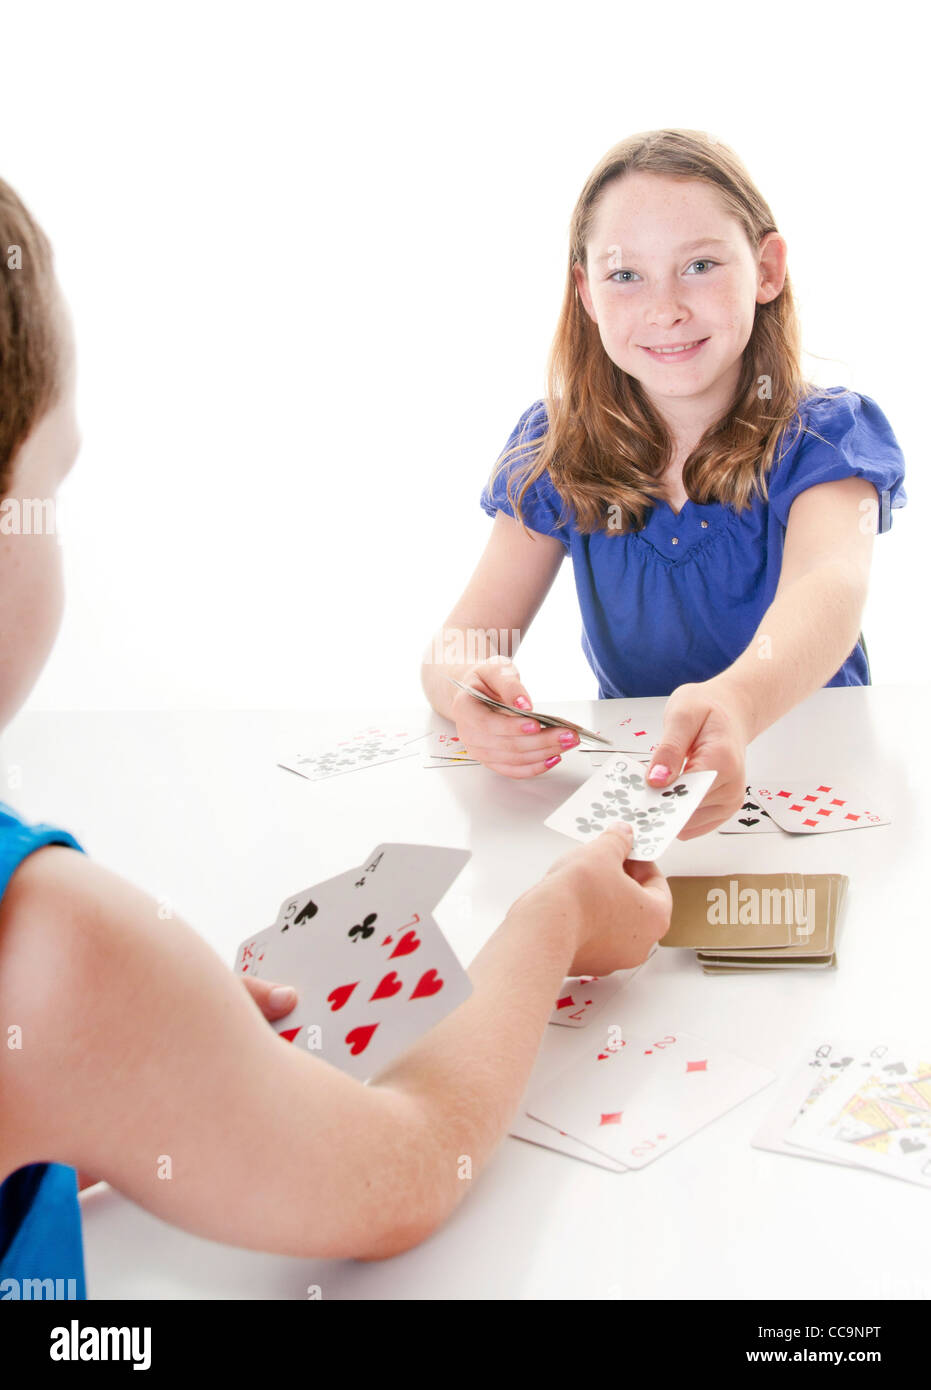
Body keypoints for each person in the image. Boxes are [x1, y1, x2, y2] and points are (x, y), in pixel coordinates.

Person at [0, 176, 672, 1296]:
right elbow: (406, 1171)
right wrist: (552, 915)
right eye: (46, 490)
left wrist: (141, 1070)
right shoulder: (53, 953)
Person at [421, 128, 907, 840]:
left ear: (766, 269)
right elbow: (460, 640)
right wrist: (470, 692)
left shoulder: (825, 434)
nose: (665, 308)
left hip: (813, 778)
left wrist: (736, 704)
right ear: (586, 291)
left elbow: (829, 587)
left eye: (700, 265)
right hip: (649, 794)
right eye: (625, 275)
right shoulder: (555, 447)